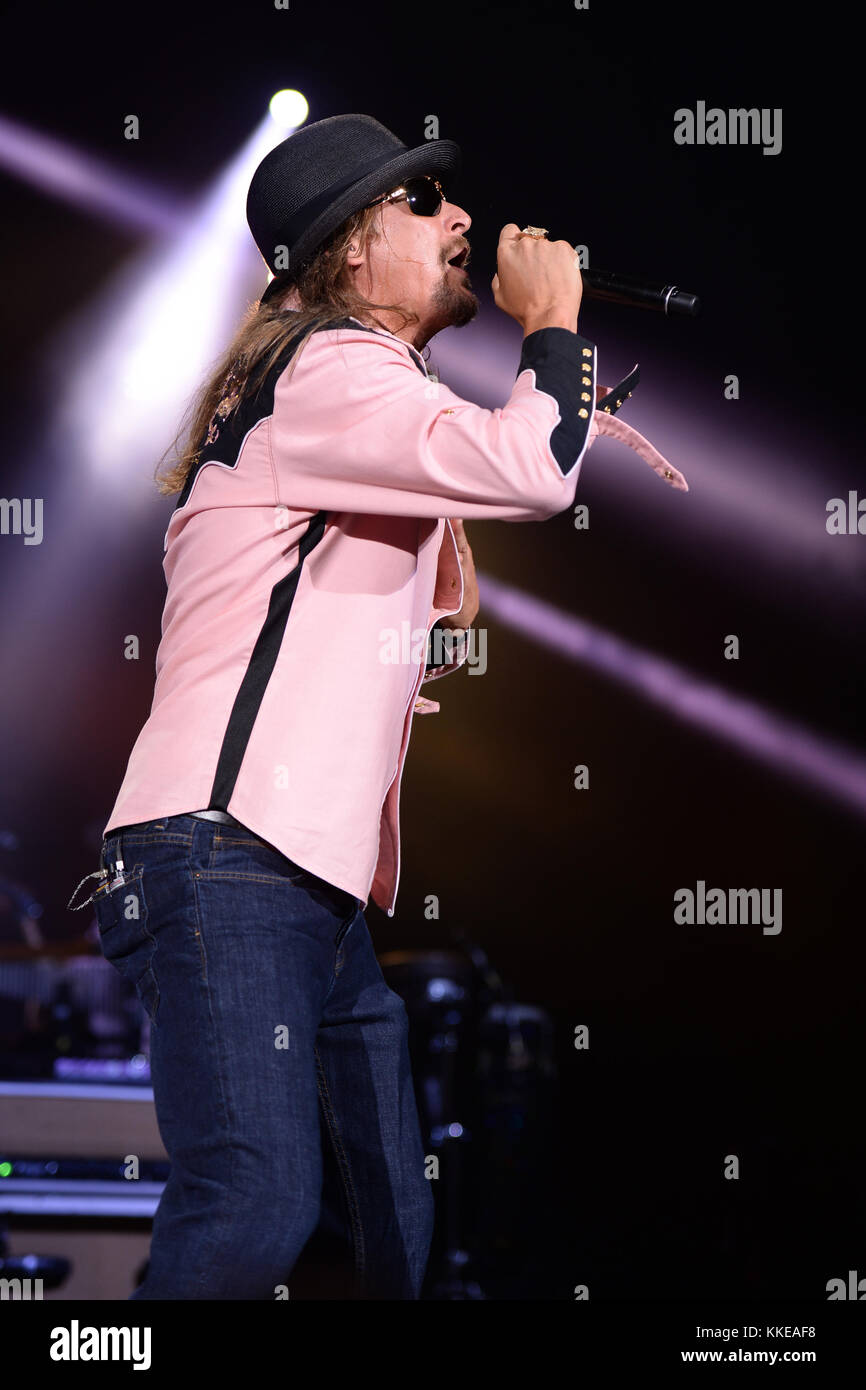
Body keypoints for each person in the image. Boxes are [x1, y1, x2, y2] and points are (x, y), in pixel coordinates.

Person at [68, 113, 680, 1300]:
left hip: (299, 876)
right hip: (227, 853)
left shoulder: (340, 391)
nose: (461, 219)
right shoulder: (333, 365)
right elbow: (524, 472)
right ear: (350, 250)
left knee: (386, 1229)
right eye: (423, 203)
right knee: (252, 1203)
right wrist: (550, 331)